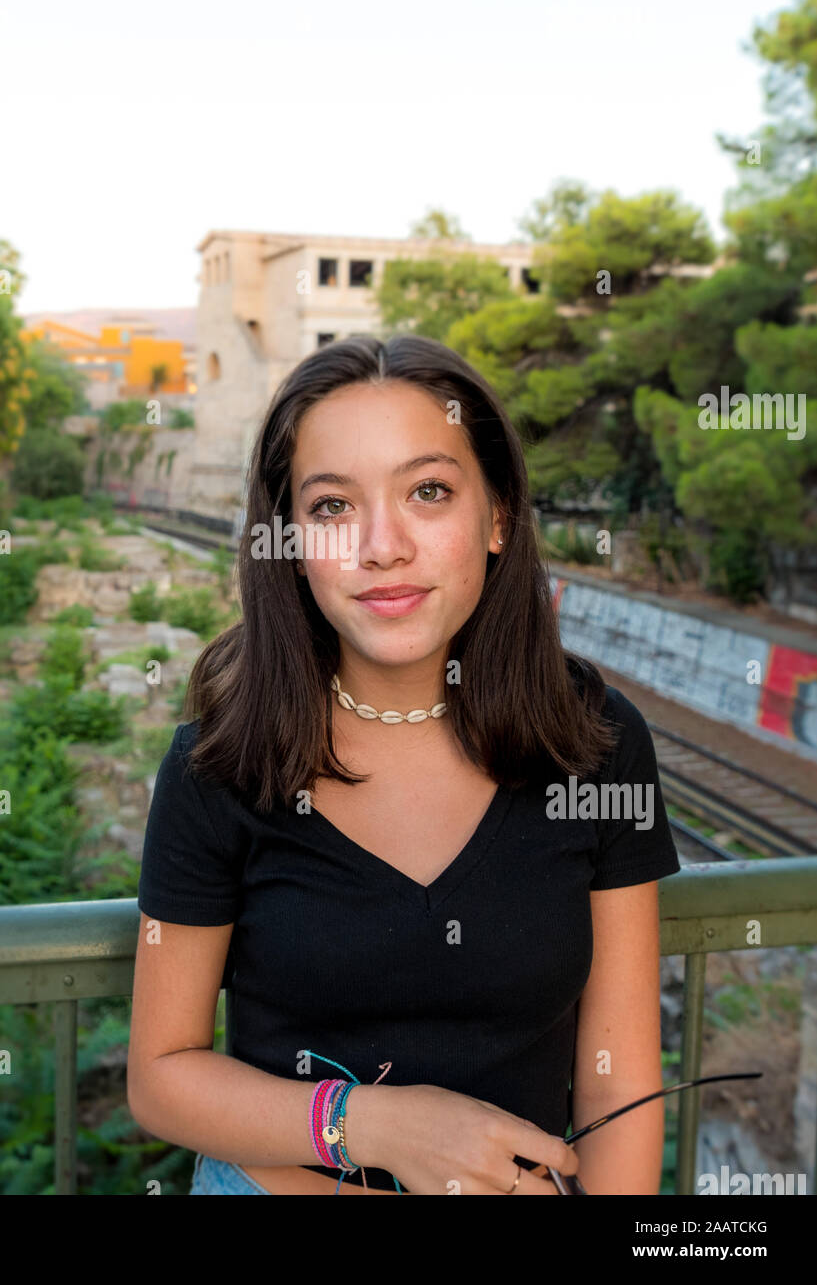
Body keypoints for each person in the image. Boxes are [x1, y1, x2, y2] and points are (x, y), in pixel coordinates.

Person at [126, 333, 681, 1195]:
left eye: (427, 492)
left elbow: (618, 1082)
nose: (380, 546)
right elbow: (161, 1075)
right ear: (288, 541)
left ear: (496, 516)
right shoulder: (221, 761)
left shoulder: (597, 747)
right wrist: (376, 1126)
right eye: (332, 507)